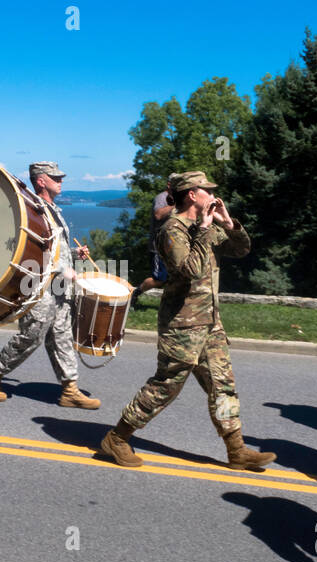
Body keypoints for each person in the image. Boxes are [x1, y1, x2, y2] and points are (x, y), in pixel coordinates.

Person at [99, 171, 275, 471]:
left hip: (210, 323)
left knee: (223, 386)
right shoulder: (172, 230)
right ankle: (117, 437)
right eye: (207, 190)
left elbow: (240, 249)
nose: (212, 194)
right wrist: (206, 229)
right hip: (182, 325)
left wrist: (228, 224)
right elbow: (188, 270)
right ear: (193, 195)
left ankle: (237, 450)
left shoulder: (204, 225)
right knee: (166, 385)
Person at [0, 161, 99, 408]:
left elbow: (54, 248)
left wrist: (74, 254)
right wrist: (63, 269)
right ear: (41, 181)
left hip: (59, 285)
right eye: (55, 177)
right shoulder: (31, 210)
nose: (61, 181)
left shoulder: (53, 210)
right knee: (32, 335)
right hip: (38, 284)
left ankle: (70, 389)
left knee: (62, 335)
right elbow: (25, 249)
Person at [131, 188, 174, 302]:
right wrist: (176, 206)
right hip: (158, 247)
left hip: (173, 246)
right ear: (169, 184)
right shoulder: (161, 197)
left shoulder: (178, 198)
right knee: (159, 279)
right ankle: (134, 293)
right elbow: (158, 215)